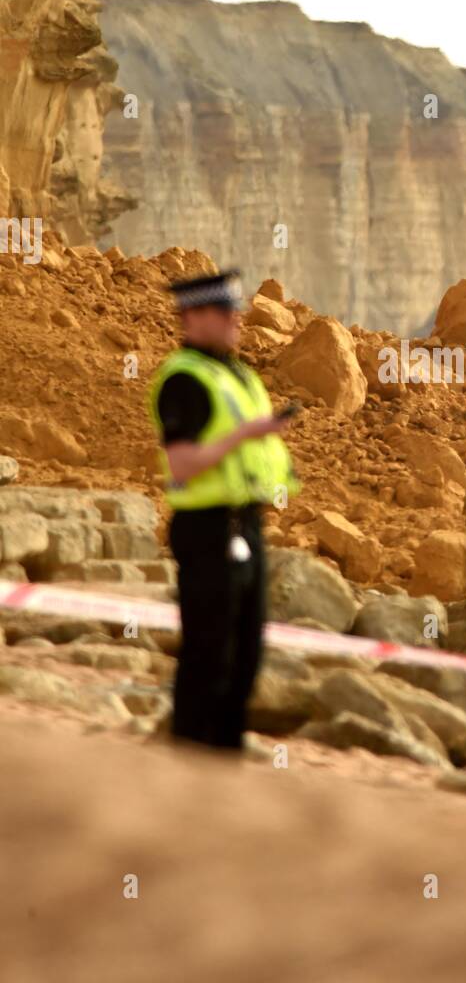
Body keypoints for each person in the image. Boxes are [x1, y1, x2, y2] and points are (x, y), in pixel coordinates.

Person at [148, 269, 299, 749]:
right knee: (209, 656)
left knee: (245, 660)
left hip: (246, 525)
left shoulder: (237, 373)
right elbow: (180, 464)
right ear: (193, 316)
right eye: (225, 310)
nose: (238, 317)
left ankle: (223, 773)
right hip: (208, 529)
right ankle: (190, 765)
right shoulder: (184, 379)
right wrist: (246, 435)